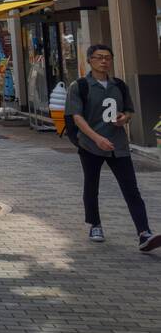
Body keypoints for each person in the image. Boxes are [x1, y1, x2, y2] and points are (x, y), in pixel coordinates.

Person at [65, 43, 160, 252]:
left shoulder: (119, 85)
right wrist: (96, 138)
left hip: (118, 145)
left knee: (131, 188)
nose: (104, 61)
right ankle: (95, 224)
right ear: (90, 60)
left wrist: (124, 118)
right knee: (92, 185)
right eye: (99, 57)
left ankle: (144, 232)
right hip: (91, 144)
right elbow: (77, 117)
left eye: (108, 57)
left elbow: (128, 111)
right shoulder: (80, 86)